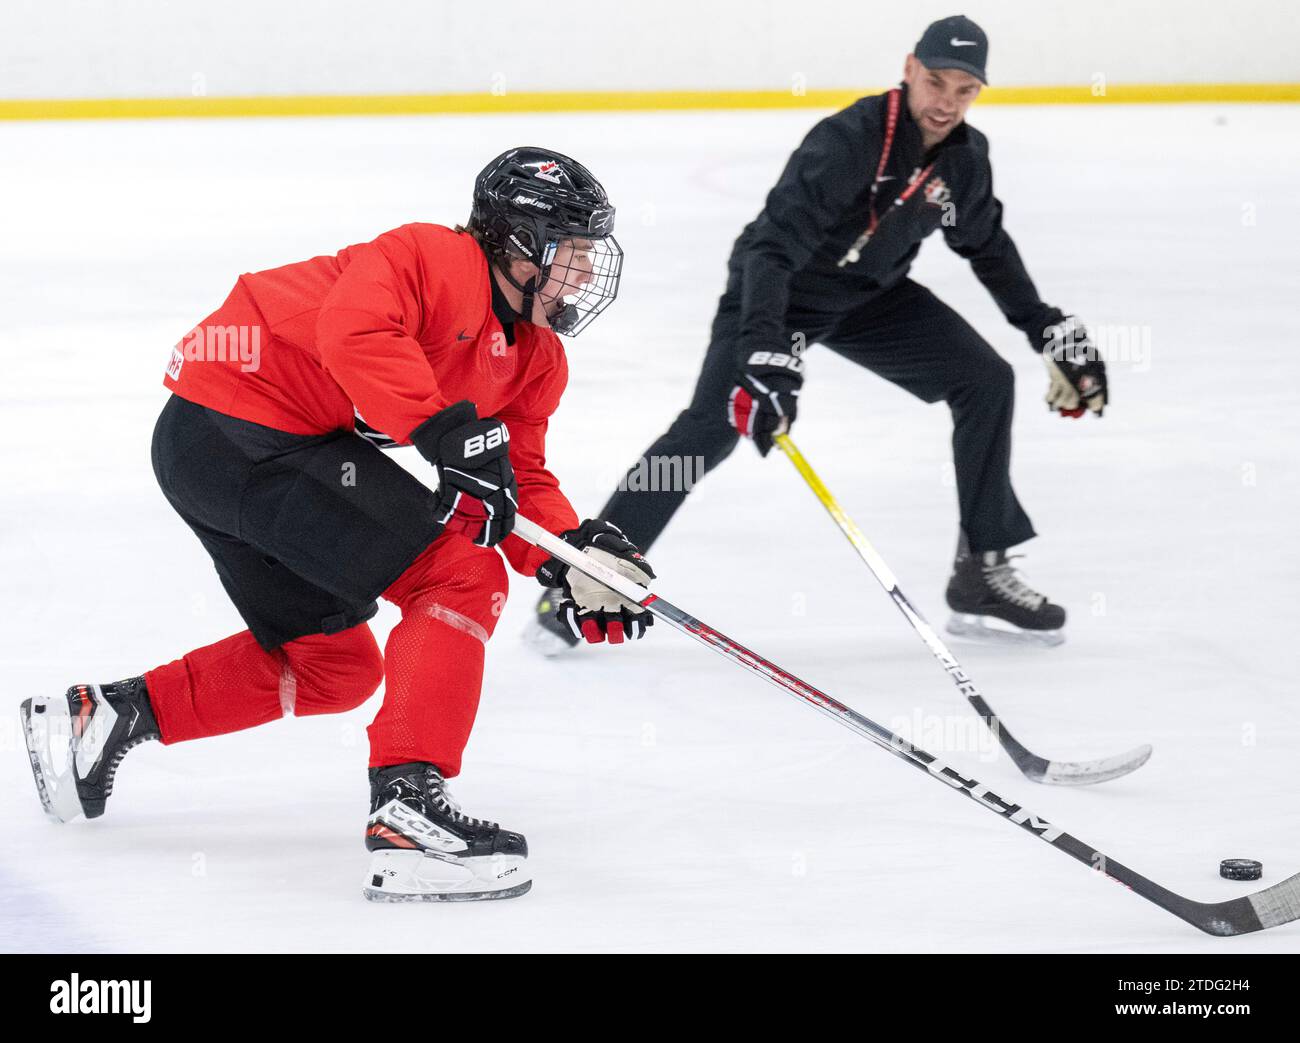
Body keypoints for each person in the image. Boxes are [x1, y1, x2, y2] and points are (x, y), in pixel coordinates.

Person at [20, 147, 656, 903]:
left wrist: (570, 554)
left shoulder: (537, 360)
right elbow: (355, 332)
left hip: (237, 449)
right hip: (236, 423)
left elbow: (516, 483)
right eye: (570, 252)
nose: (583, 274)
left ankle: (104, 719)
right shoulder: (433, 257)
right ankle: (409, 814)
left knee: (334, 667)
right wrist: (442, 432)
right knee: (460, 572)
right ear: (516, 245)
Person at [531, 14, 1106, 655]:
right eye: (937, 81)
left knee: (985, 380)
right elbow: (772, 249)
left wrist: (1048, 329)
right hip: (777, 293)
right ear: (911, 68)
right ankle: (584, 579)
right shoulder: (851, 140)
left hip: (869, 298)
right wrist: (764, 346)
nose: (946, 102)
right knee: (702, 434)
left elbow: (987, 246)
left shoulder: (965, 162)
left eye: (964, 90)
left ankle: (981, 574)